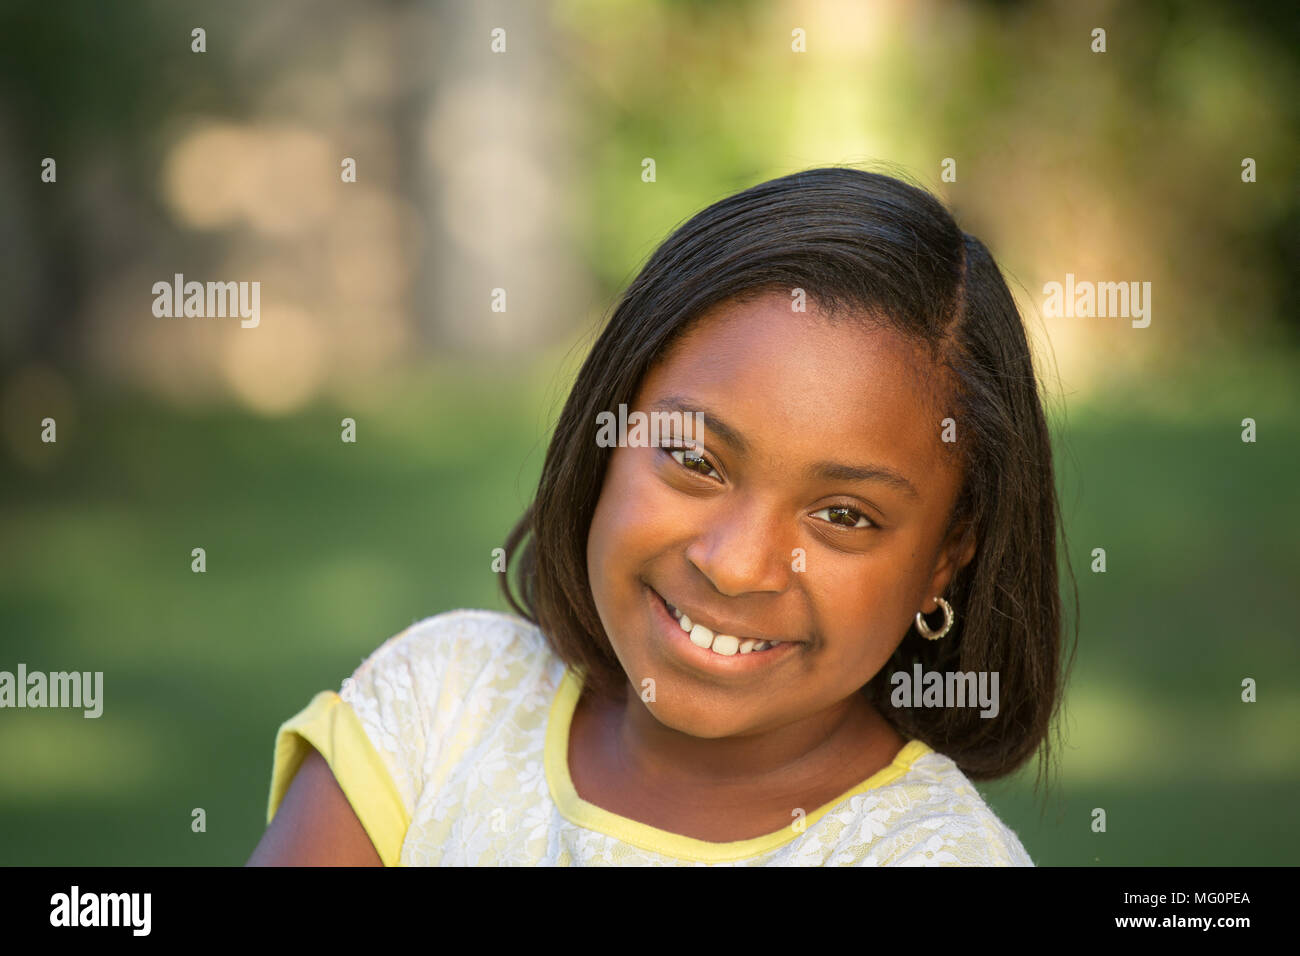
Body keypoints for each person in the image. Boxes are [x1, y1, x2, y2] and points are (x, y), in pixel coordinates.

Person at [247, 165, 1076, 866]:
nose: (737, 564)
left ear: (945, 557)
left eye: (843, 515)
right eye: (694, 460)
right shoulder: (447, 704)